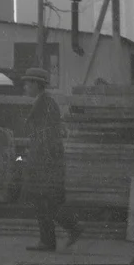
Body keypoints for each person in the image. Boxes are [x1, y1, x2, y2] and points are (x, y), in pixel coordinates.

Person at [14, 68, 82, 252]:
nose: (25, 86)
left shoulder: (46, 104)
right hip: (43, 159)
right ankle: (52, 239)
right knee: (44, 201)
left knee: (45, 200)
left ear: (37, 84)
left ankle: (69, 230)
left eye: (28, 83)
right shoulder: (43, 102)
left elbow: (47, 136)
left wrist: (36, 161)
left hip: (45, 161)